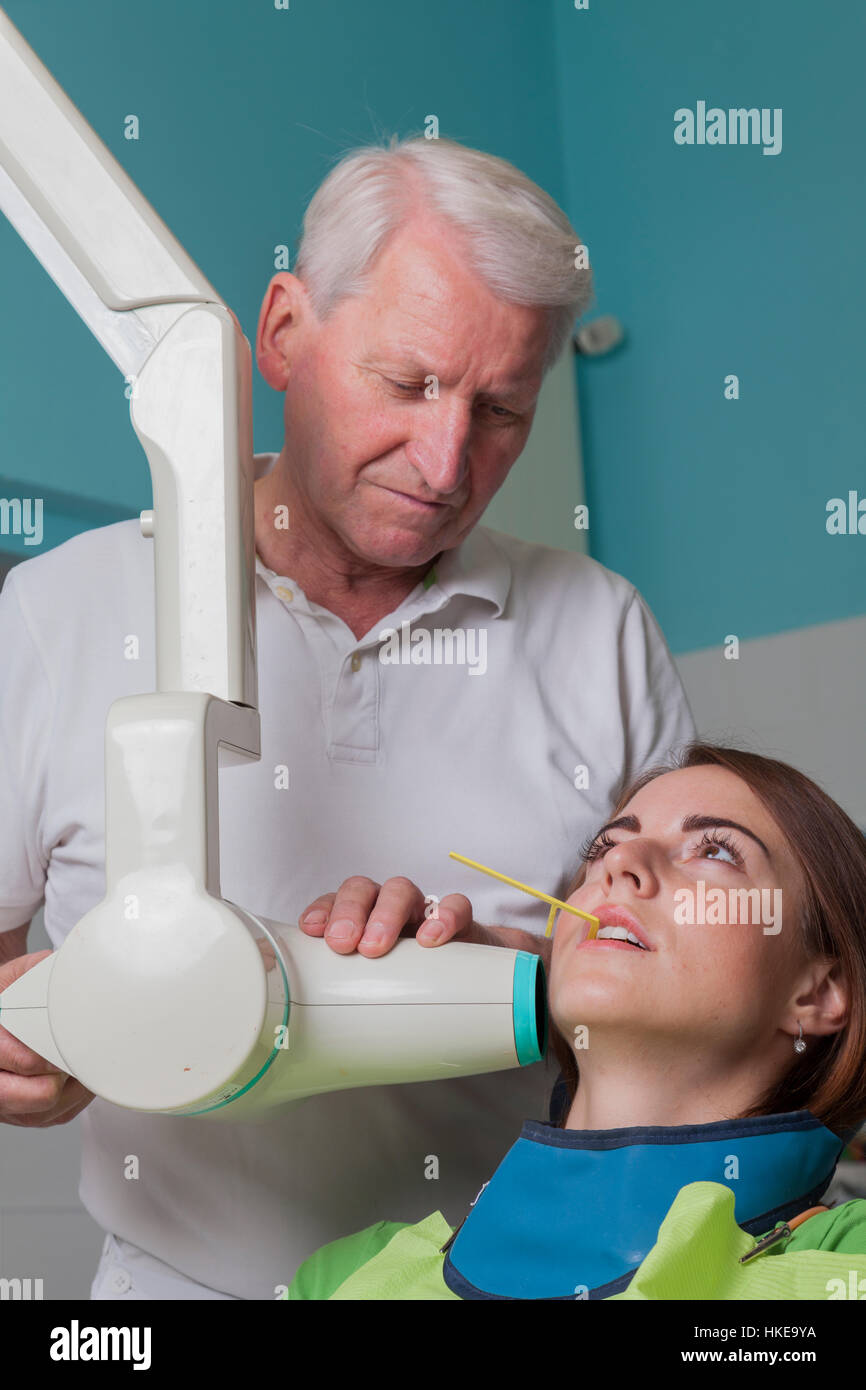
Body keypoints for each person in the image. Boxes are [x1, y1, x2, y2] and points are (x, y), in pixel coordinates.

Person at [0, 136, 695, 1300]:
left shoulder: (601, 629)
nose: (444, 461)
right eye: (409, 382)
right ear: (280, 332)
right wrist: (34, 1044)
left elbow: (700, 1004)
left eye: (499, 410)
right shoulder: (57, 610)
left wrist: (521, 984)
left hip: (518, 1285)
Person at [285, 742, 866, 1299]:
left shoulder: (846, 1264)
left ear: (818, 992)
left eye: (715, 851)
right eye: (603, 847)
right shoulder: (342, 1278)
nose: (620, 862)